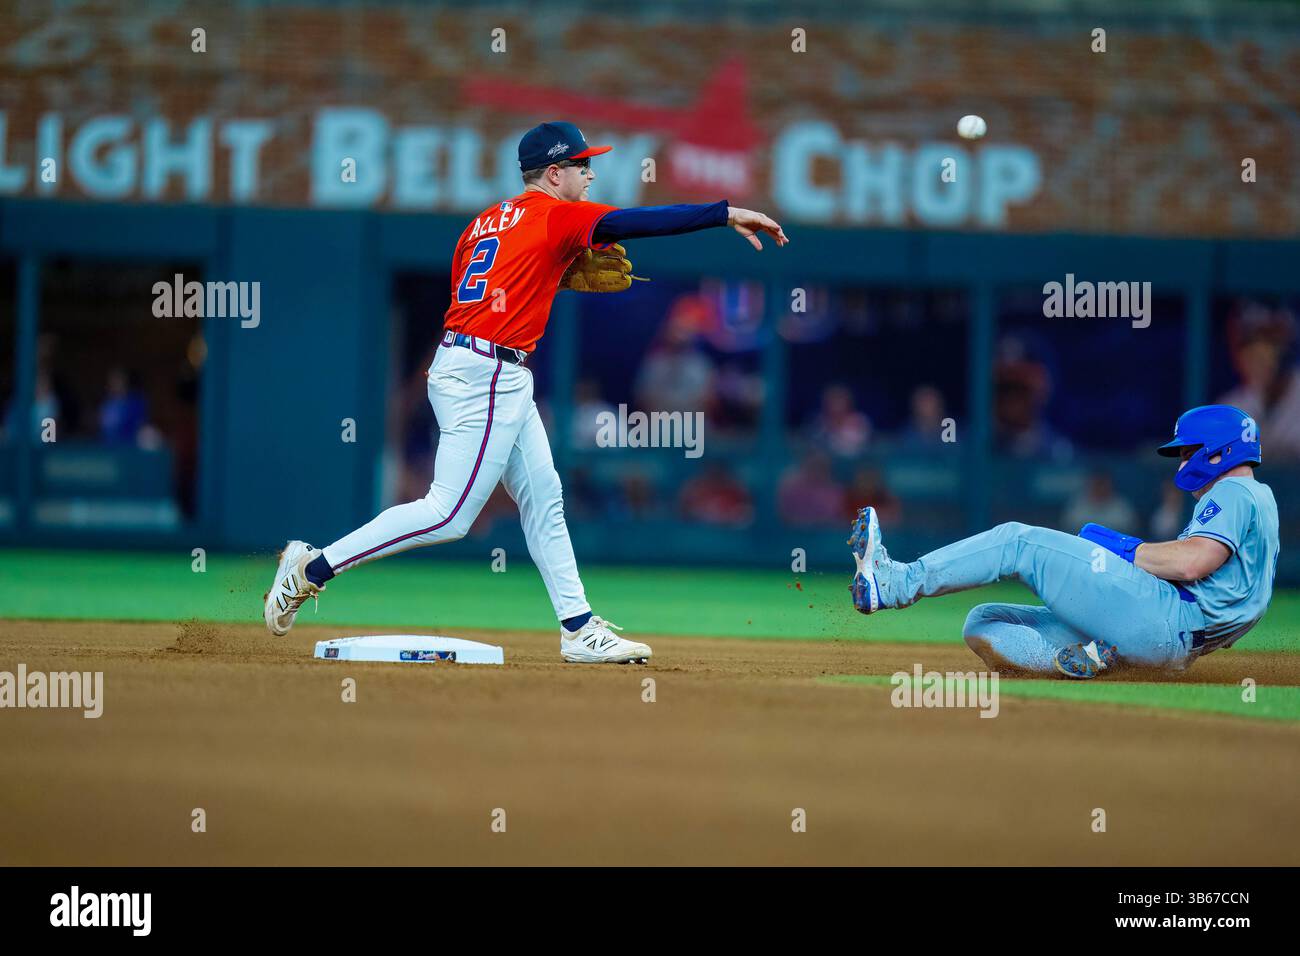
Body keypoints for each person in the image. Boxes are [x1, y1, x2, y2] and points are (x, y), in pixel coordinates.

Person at [263, 121, 787, 663]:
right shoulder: (557, 213)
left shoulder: (484, 221)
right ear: (554, 173)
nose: (591, 173)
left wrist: (553, 274)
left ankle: (579, 628)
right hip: (485, 374)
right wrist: (724, 213)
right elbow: (641, 222)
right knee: (448, 514)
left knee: (543, 498)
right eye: (583, 165)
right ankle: (311, 567)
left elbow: (491, 287)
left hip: (483, 365)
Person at [849, 405, 1278, 679]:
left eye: (1189, 451)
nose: (1183, 461)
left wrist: (1125, 550)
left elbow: (1191, 563)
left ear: (1218, 453)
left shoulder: (1234, 491)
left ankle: (894, 584)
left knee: (1016, 541)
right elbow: (1235, 604)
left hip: (1164, 618)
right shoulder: (1263, 501)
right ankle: (1079, 661)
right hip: (1165, 643)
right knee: (983, 623)